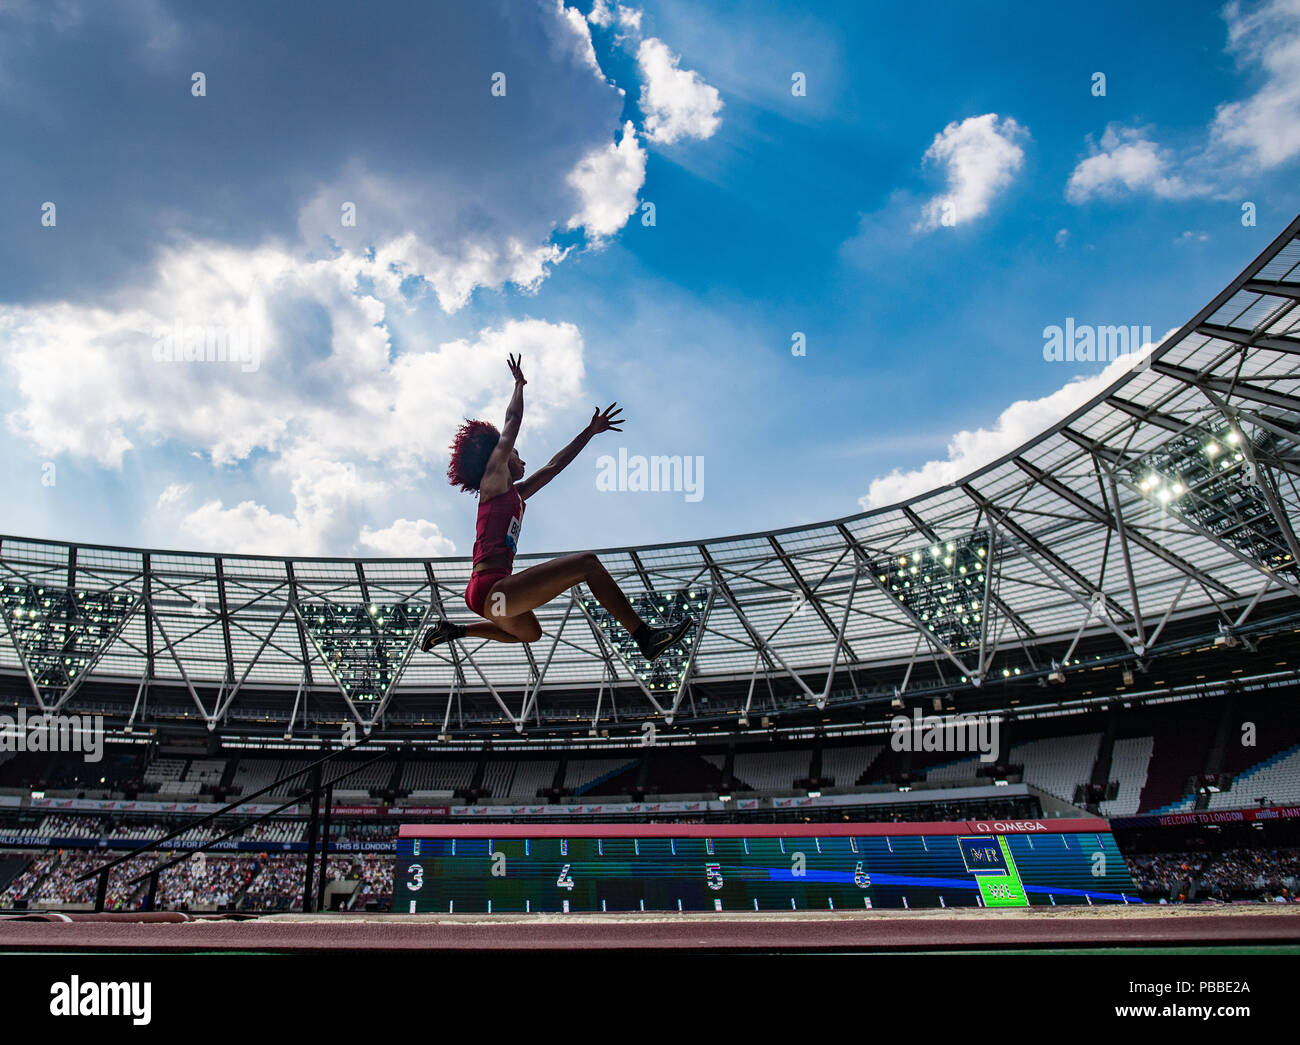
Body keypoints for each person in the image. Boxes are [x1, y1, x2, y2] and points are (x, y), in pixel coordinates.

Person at [422, 354, 693, 662]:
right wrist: (520, 385)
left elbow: (553, 466)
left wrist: (588, 433)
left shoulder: (514, 494)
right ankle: (646, 637)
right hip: (492, 587)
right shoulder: (493, 478)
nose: (521, 460)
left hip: (488, 597)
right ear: (502, 456)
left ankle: (455, 631)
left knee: (530, 634)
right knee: (588, 564)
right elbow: (512, 422)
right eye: (516, 455)